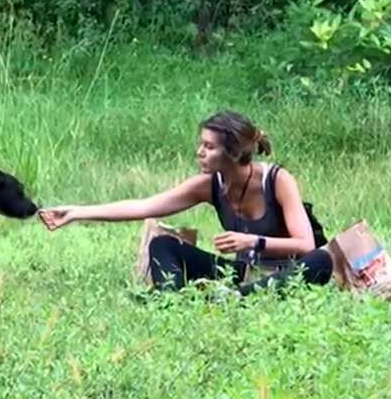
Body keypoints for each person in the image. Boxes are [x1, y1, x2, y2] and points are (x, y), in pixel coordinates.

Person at [38, 110, 333, 296]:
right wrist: (76, 212)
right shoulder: (209, 184)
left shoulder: (278, 180)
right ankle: (173, 300)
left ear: (232, 152)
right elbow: (144, 207)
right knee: (162, 244)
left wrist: (251, 241)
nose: (199, 152)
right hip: (243, 274)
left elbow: (305, 244)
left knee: (322, 260)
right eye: (201, 144)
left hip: (287, 274)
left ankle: (239, 299)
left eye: (209, 146)